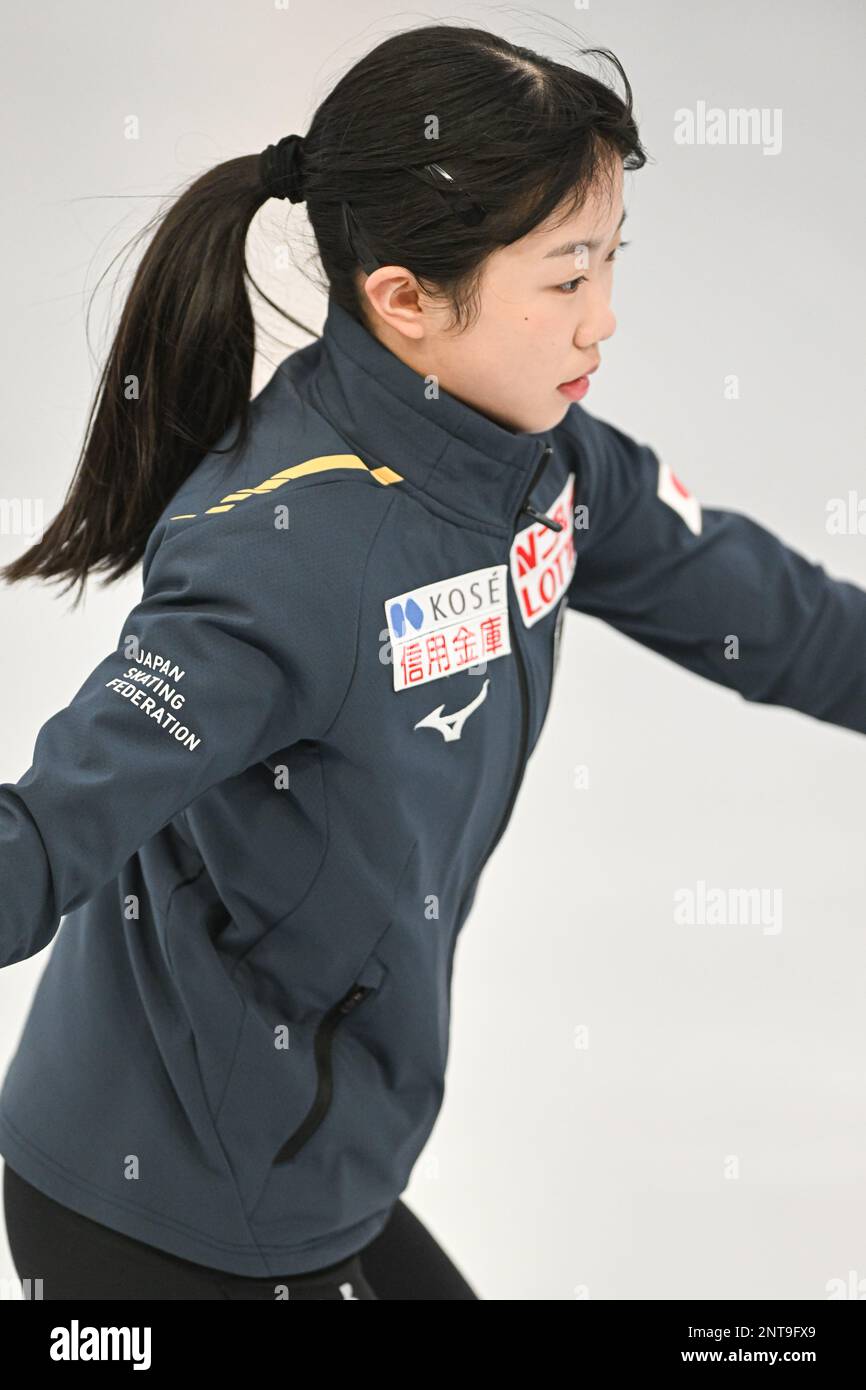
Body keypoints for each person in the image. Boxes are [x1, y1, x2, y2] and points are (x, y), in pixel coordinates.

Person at [2, 22, 865, 1302]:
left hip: (317, 1169)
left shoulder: (533, 465)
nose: (604, 320)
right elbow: (43, 838)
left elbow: (774, 615)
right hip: (161, 1216)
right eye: (565, 279)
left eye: (608, 263)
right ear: (404, 300)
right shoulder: (283, 562)